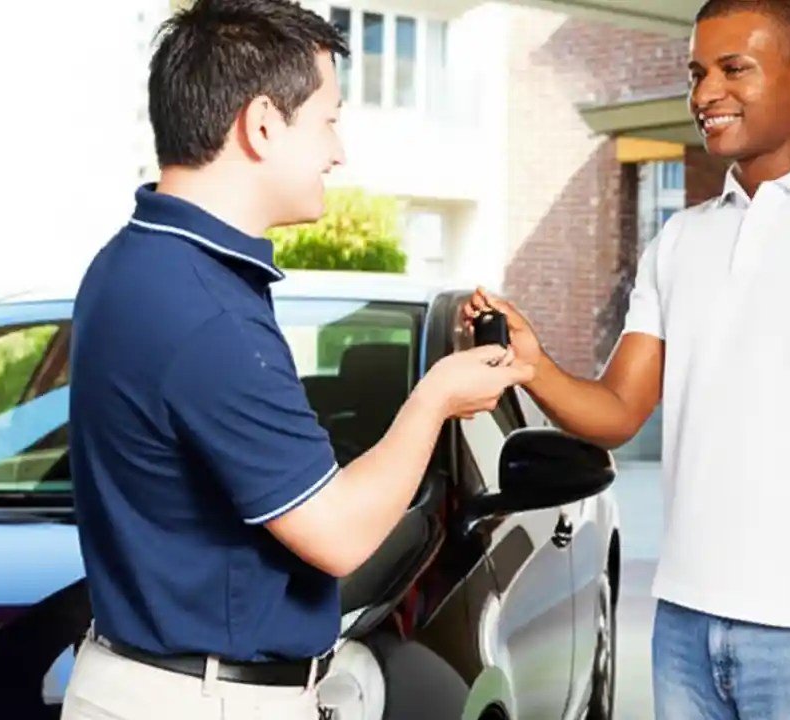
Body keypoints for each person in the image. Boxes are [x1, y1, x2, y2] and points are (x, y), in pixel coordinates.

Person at [463, 0, 790, 718]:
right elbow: (620, 411)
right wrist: (536, 366)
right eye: (696, 73)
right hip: (683, 629)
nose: (703, 94)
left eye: (733, 69)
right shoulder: (678, 243)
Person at [62, 1, 533, 718]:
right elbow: (339, 534)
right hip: (200, 700)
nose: (338, 151)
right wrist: (434, 398)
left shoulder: (134, 263)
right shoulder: (206, 310)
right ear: (260, 125)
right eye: (329, 119)